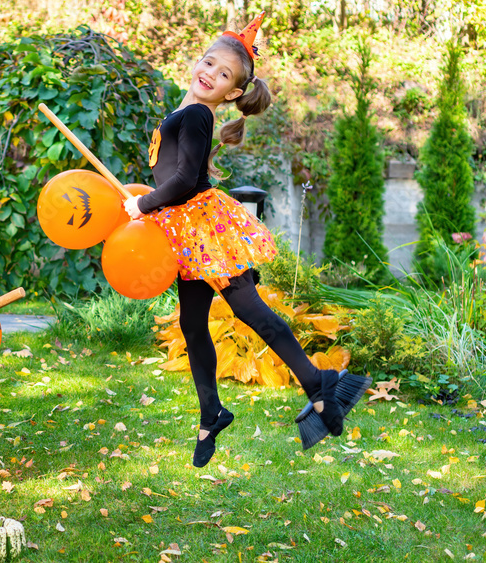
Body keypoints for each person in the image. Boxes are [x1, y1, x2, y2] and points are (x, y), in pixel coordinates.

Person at [124, 13, 371, 468]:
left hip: (204, 230)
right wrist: (149, 201)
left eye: (224, 75)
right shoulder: (183, 111)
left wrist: (144, 204)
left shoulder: (199, 114)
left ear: (233, 93)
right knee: (192, 326)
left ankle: (318, 382)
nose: (211, 74)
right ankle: (211, 413)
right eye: (209, 63)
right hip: (184, 235)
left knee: (249, 310)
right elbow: (174, 175)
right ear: (198, 61)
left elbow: (181, 180)